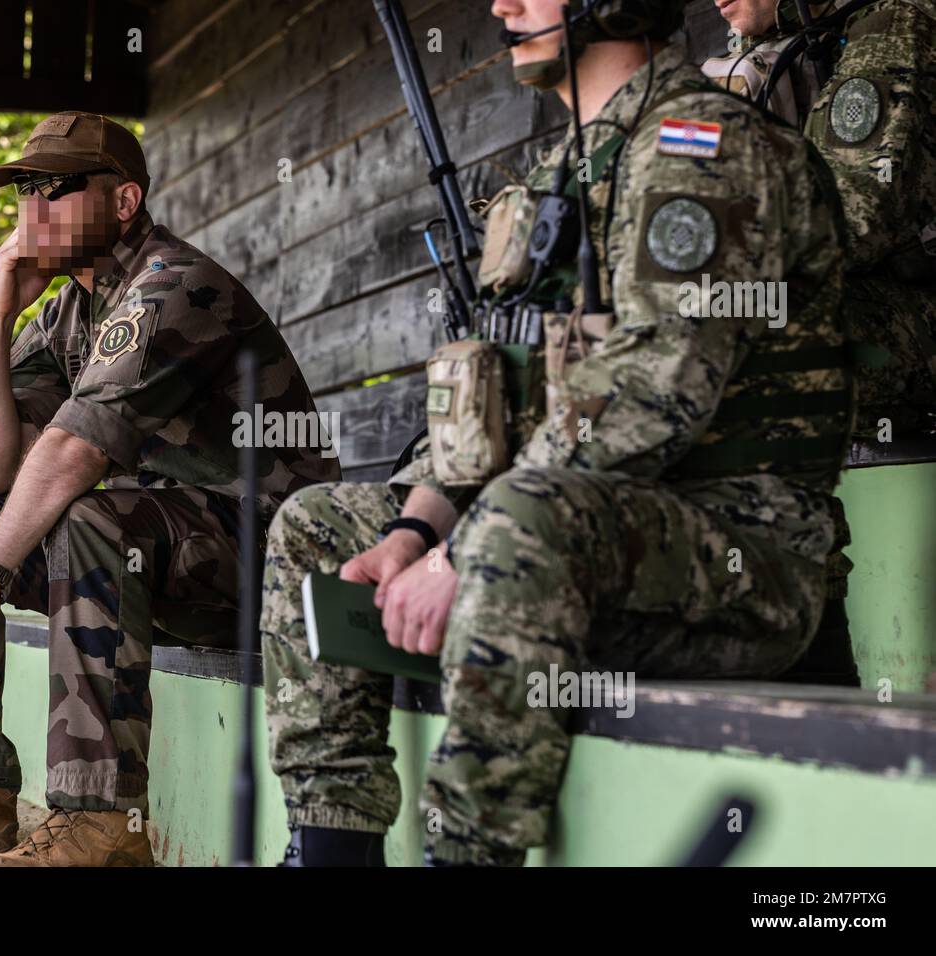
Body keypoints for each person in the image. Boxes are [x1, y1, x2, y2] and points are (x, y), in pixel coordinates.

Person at [261, 0, 851, 866]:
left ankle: (467, 856)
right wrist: (412, 533)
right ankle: (330, 852)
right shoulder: (559, 176)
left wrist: (459, 557)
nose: (503, 5)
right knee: (317, 526)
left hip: (744, 557)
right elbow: (488, 405)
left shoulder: (705, 146)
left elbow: (659, 386)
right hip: (577, 536)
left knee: (516, 520)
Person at [0, 111, 340, 867]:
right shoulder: (70, 309)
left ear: (124, 202)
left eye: (55, 189)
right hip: (154, 556)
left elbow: (75, 451)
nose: (30, 210)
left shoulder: (173, 286)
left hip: (265, 559)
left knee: (90, 518)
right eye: (22, 192)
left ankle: (101, 827)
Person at [704, 0, 936, 681]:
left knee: (750, 359)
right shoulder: (766, 50)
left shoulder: (893, 23)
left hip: (910, 317)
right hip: (845, 301)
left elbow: (857, 213)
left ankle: (811, 664)